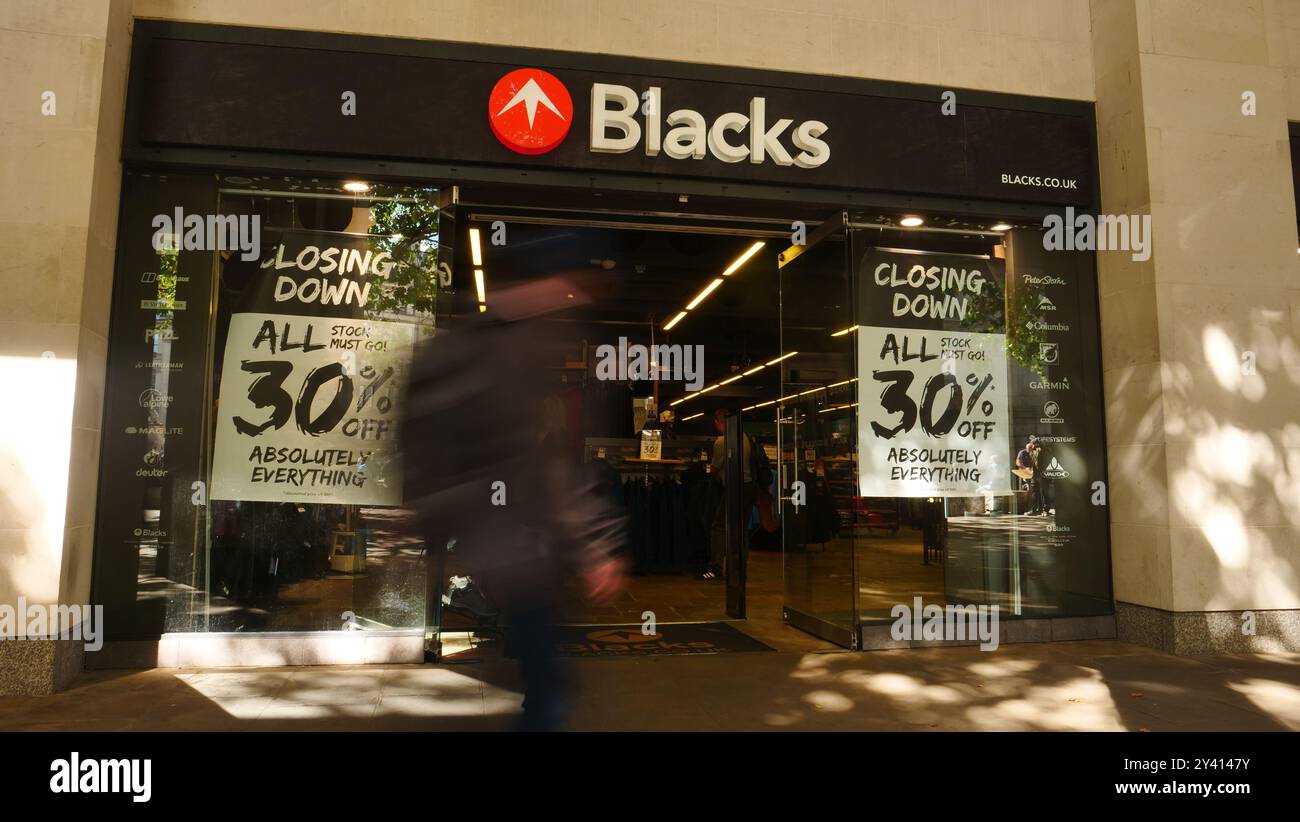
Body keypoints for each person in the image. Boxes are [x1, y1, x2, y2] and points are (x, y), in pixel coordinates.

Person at [402, 275, 626, 731]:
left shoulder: (459, 351)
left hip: (503, 544)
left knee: (537, 667)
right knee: (548, 684)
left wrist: (433, 523)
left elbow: (422, 444)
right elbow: (546, 471)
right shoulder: (509, 358)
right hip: (519, 545)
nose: (567, 303)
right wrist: (592, 550)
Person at [704, 408, 757, 580]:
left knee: (719, 527)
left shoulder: (721, 442)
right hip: (749, 488)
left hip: (733, 488)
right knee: (741, 530)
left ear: (719, 422)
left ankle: (716, 568)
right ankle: (740, 569)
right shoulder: (747, 438)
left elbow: (714, 469)